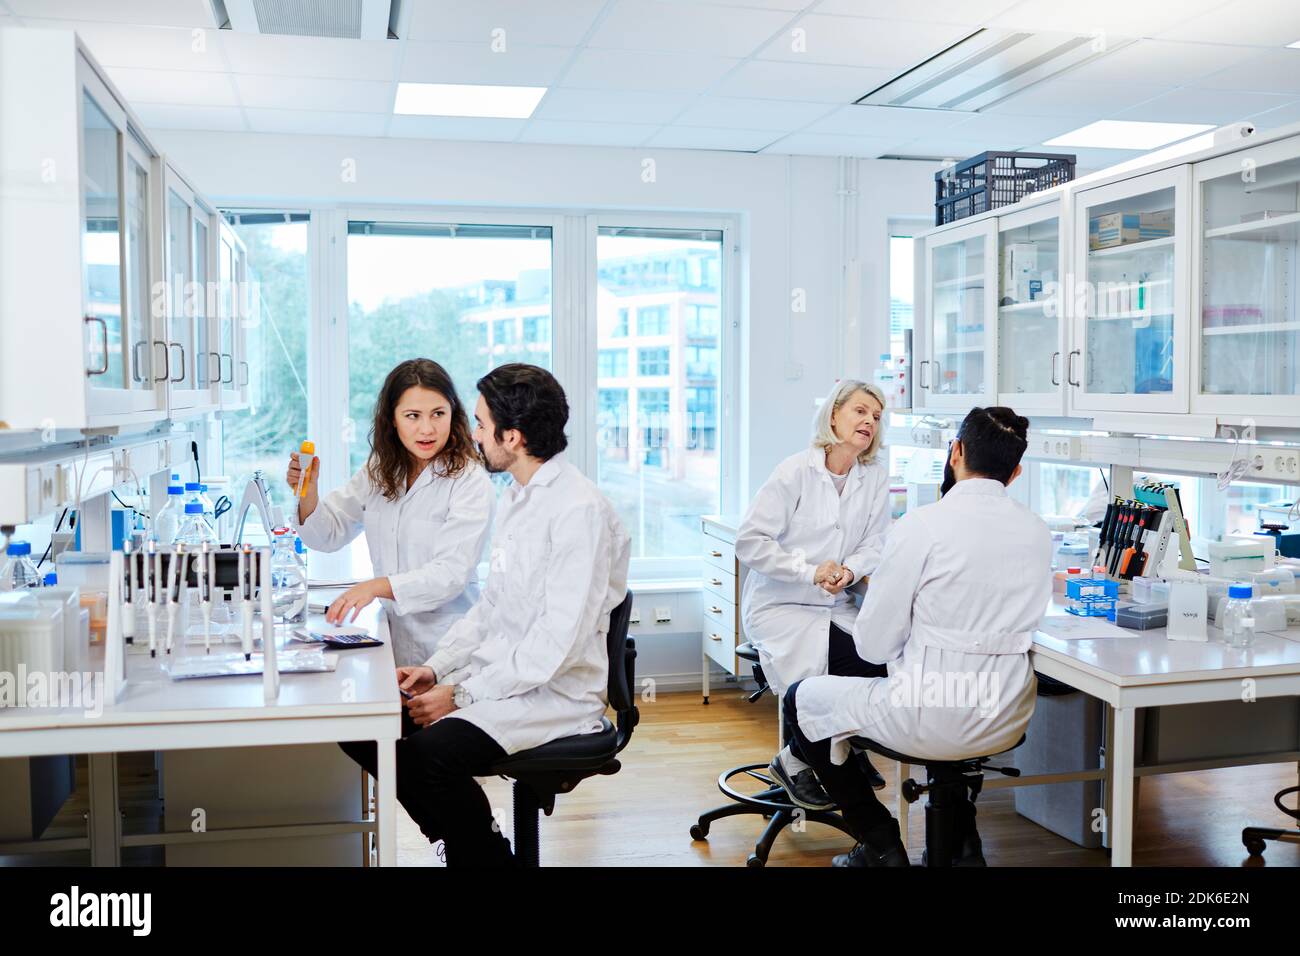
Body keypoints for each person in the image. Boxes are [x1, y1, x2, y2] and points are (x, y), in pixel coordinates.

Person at [340, 363, 630, 867]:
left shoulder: (577, 511)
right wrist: (437, 668)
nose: (470, 434)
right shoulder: (520, 497)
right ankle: (472, 847)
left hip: (553, 693)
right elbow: (492, 606)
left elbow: (555, 644)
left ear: (511, 436)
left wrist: (461, 694)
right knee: (360, 723)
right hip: (504, 675)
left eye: (478, 423)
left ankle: (481, 854)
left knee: (427, 757)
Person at [785, 406, 1051, 867]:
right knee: (949, 705)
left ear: (956, 453)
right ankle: (960, 843)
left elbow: (873, 645)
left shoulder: (921, 527)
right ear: (1016, 471)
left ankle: (879, 843)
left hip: (930, 713)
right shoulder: (1037, 530)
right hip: (1004, 711)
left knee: (799, 700)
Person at [735, 379, 894, 811]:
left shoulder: (875, 477)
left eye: (876, 417)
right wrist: (810, 572)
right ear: (833, 414)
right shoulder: (795, 471)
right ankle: (825, 757)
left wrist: (849, 569)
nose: (869, 422)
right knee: (834, 671)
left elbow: (876, 542)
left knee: (882, 661)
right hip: (781, 605)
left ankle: (799, 757)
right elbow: (750, 543)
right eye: (860, 411)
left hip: (835, 603)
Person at [290, 359, 495, 666]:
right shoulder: (381, 469)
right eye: (412, 416)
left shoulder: (470, 480)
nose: (427, 429)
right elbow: (328, 535)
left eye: (438, 414)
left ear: (453, 414)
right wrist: (308, 490)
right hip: (392, 642)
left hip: (451, 650)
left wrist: (376, 586)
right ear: (392, 420)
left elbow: (450, 574)